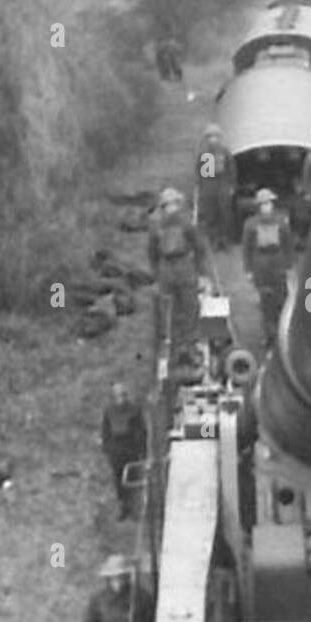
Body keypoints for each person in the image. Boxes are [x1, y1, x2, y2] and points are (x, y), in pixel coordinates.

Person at [148, 187, 211, 353]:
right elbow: (153, 252)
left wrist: (202, 274)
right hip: (173, 269)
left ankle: (185, 342)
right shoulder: (170, 225)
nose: (171, 209)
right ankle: (179, 343)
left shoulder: (180, 225)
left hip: (179, 267)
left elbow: (199, 248)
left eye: (173, 205)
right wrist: (156, 275)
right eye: (169, 205)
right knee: (175, 308)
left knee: (187, 305)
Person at [241, 187, 294, 351]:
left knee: (282, 299)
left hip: (277, 262)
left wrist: (289, 266)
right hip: (260, 264)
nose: (266, 206)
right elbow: (246, 248)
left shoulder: (281, 221)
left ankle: (284, 334)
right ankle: (270, 336)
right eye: (263, 204)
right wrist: (249, 270)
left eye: (269, 203)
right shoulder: (250, 224)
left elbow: (287, 244)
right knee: (266, 302)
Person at [100, 383, 146, 520]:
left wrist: (142, 450)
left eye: (124, 395)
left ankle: (135, 507)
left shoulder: (135, 410)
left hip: (131, 448)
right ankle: (124, 506)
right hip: (116, 451)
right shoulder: (109, 411)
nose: (122, 398)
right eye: (119, 396)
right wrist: (107, 449)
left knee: (133, 478)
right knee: (119, 480)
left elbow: (142, 431)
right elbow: (105, 431)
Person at [194, 124, 235, 248]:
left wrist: (231, 185)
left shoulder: (225, 152)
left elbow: (231, 170)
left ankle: (225, 239)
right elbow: (200, 173)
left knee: (225, 214)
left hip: (223, 186)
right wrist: (200, 188)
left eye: (215, 137)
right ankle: (214, 239)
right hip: (208, 187)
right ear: (207, 139)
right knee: (210, 214)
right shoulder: (203, 154)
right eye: (210, 137)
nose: (213, 140)